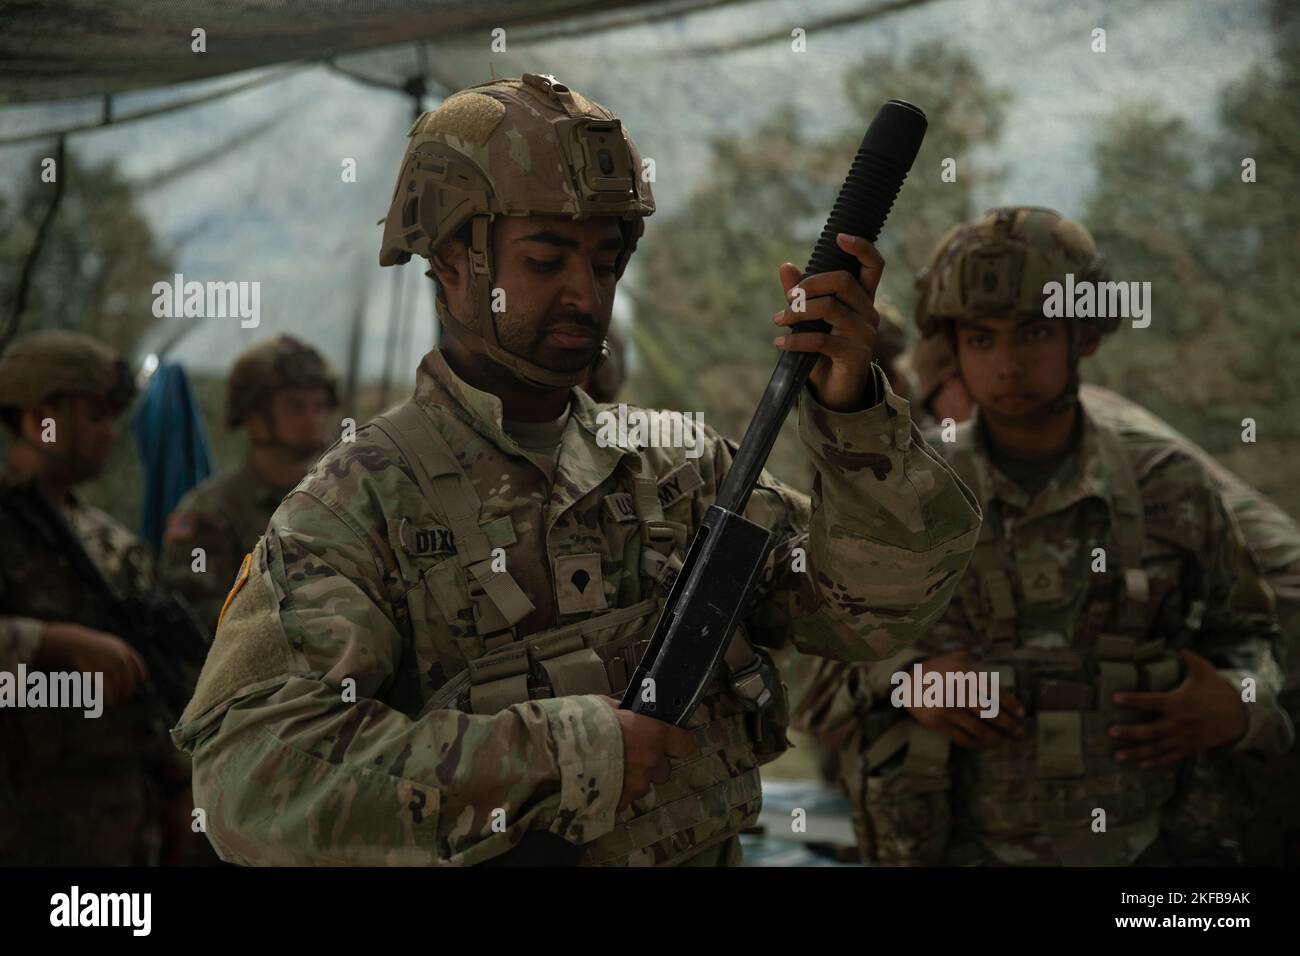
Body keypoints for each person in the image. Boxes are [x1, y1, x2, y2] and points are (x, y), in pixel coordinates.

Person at [171, 72, 981, 866]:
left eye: (605, 262)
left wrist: (853, 418)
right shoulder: (359, 504)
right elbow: (247, 780)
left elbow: (869, 613)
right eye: (546, 258)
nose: (585, 295)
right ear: (453, 259)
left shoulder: (680, 466)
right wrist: (563, 755)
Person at [794, 207, 1293, 866]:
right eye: (981, 338)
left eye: (1033, 333)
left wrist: (1239, 706)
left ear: (1082, 337)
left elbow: (1251, 638)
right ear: (956, 346)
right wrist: (907, 677)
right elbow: (812, 664)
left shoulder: (1168, 484)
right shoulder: (906, 487)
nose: (1007, 365)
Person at [0, 330, 197, 864]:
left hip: (123, 820)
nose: (110, 434)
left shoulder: (112, 542)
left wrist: (178, 787)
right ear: (36, 416)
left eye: (112, 417)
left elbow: (152, 687)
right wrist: (52, 642)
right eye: (93, 416)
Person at [159, 335, 337, 632]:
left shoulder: (339, 497)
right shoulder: (209, 511)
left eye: (320, 406)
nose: (313, 418)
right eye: (295, 407)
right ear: (254, 418)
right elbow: (193, 612)